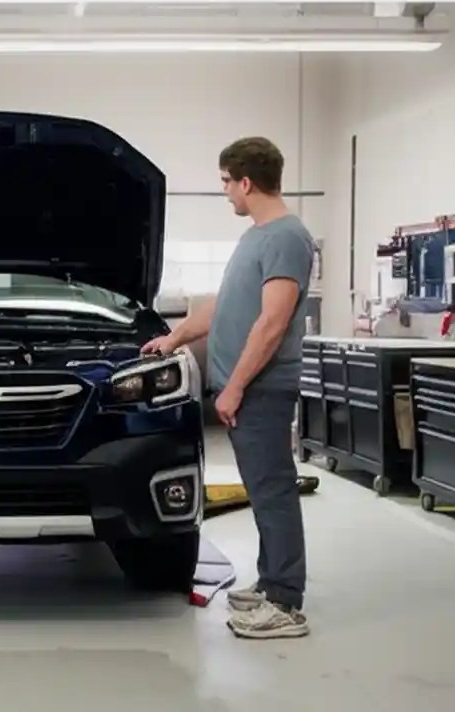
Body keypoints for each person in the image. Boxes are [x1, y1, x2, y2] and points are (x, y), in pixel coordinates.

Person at [143, 136, 314, 639]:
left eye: (225, 182)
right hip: (245, 386)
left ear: (246, 181)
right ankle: (270, 584)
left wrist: (235, 386)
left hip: (262, 388)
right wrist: (175, 336)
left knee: (274, 490)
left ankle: (284, 602)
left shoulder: (286, 237)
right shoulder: (256, 237)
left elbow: (272, 323)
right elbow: (226, 305)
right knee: (263, 491)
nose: (225, 193)